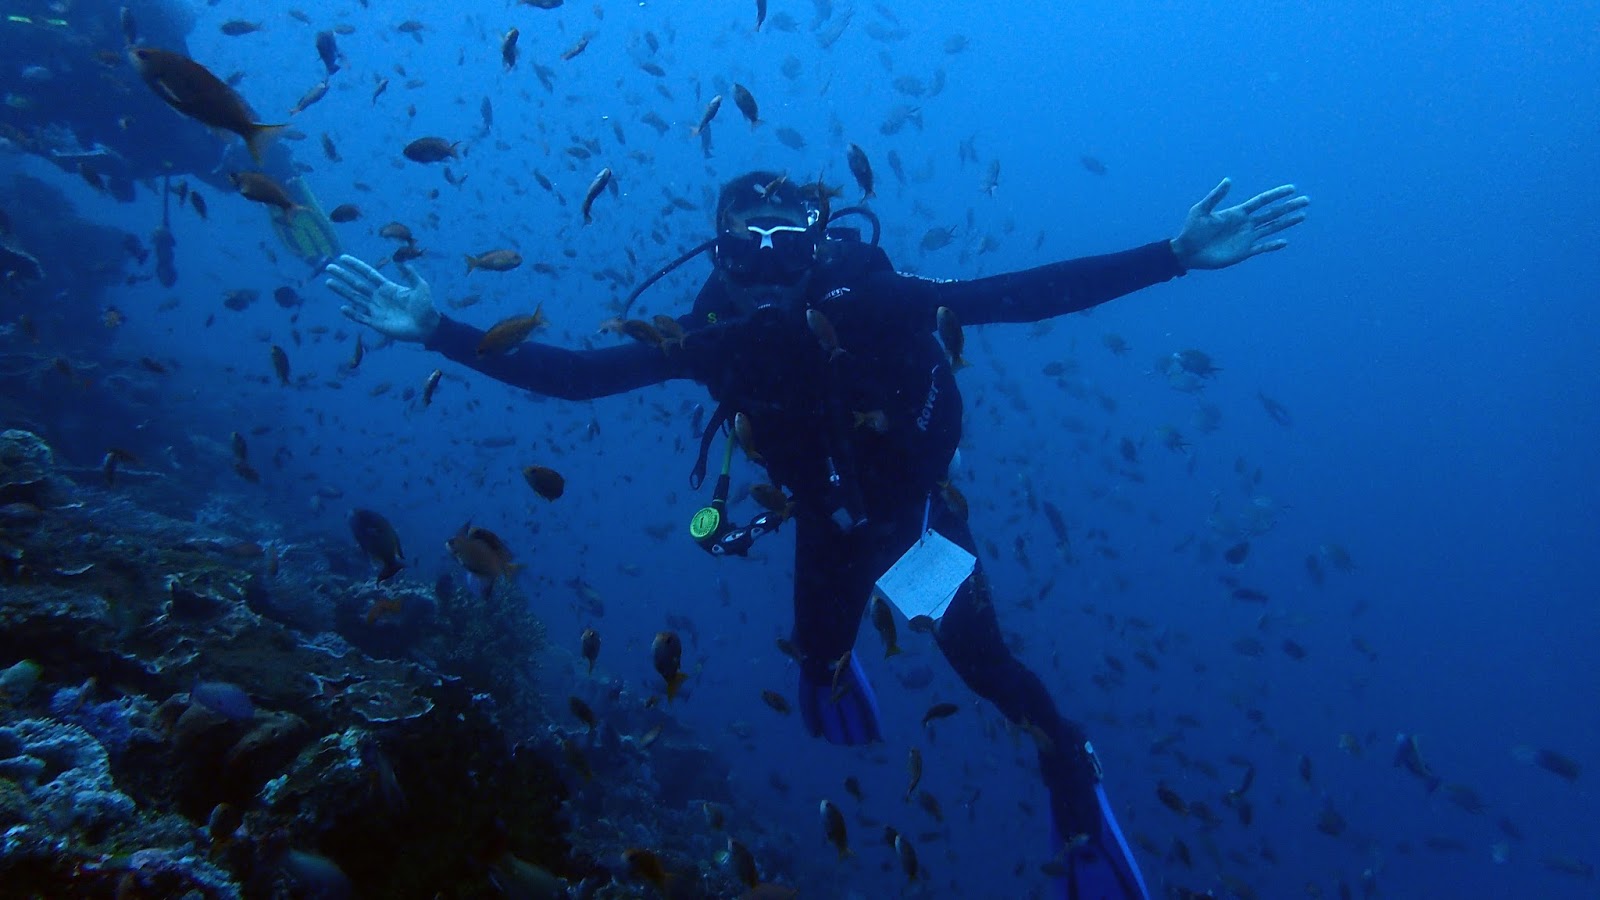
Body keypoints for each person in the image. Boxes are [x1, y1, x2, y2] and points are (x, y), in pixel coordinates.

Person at [325, 172, 1308, 898]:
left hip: (920, 517)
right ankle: (836, 667)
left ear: (816, 233)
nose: (761, 244)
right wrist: (437, 328)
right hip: (823, 525)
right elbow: (580, 376)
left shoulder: (871, 297)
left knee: (991, 672)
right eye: (740, 230)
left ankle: (1072, 785)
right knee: (820, 656)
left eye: (781, 225)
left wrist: (1173, 256)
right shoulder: (711, 335)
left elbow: (1014, 294)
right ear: (717, 247)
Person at [0, 0, 338, 268]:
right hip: (99, 130)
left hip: (162, 119)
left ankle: (286, 186)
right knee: (206, 158)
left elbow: (182, 69)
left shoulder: (123, 14)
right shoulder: (16, 21)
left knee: (219, 160)